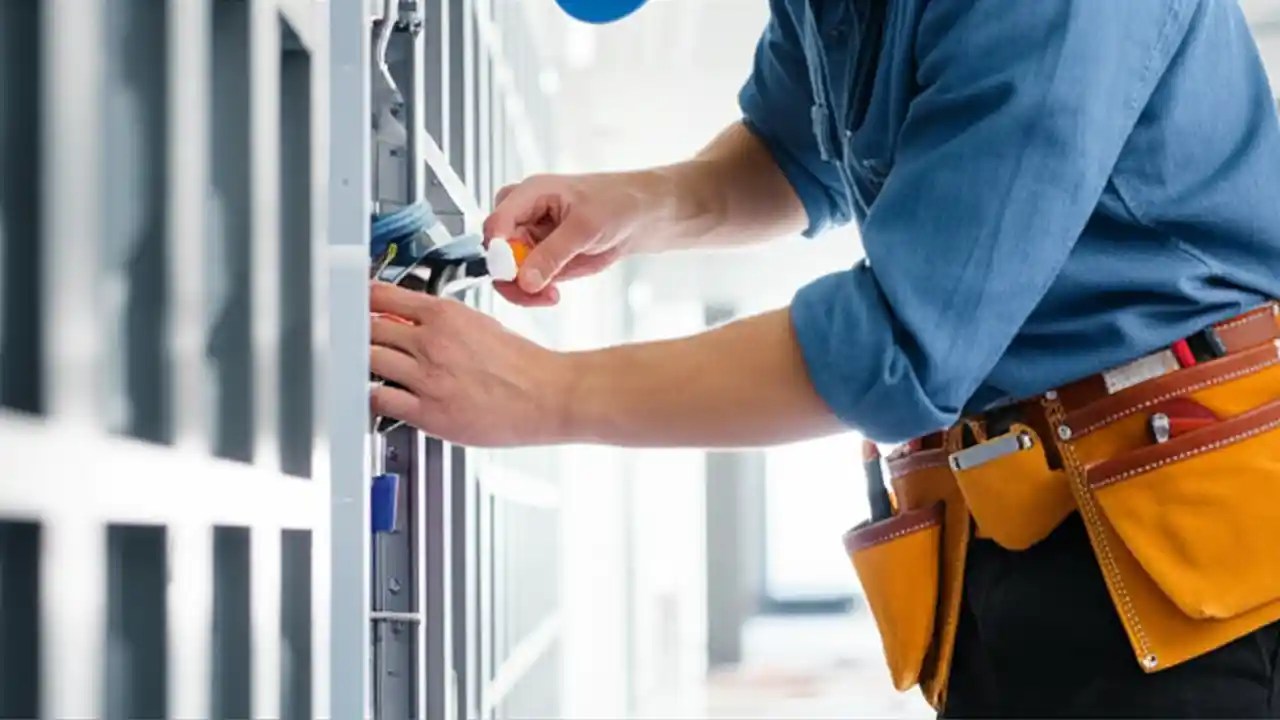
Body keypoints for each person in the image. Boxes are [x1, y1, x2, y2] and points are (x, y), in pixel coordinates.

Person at [369, 0, 1280, 716]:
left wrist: (546, 393)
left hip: (1186, 555)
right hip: (1012, 531)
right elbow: (792, 151)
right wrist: (644, 201)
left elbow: (897, 343)